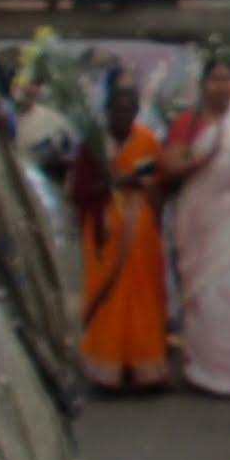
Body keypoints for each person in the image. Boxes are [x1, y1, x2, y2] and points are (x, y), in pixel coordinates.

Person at [160, 55, 230, 396]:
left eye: (227, 79)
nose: (221, 85)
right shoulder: (187, 122)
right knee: (206, 297)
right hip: (201, 222)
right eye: (215, 79)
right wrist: (202, 160)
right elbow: (170, 169)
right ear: (203, 84)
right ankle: (208, 371)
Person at [69, 68, 169, 392]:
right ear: (108, 110)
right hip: (103, 230)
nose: (124, 113)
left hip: (140, 230)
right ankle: (106, 371)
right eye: (118, 108)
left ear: (138, 110)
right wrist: (118, 182)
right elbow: (79, 190)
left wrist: (145, 195)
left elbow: (157, 185)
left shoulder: (148, 141)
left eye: (130, 108)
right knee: (109, 298)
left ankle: (144, 370)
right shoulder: (94, 144)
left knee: (143, 297)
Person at [13, 80, 76, 181]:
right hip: (50, 176)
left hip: (70, 166)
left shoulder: (48, 113)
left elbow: (71, 135)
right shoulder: (20, 130)